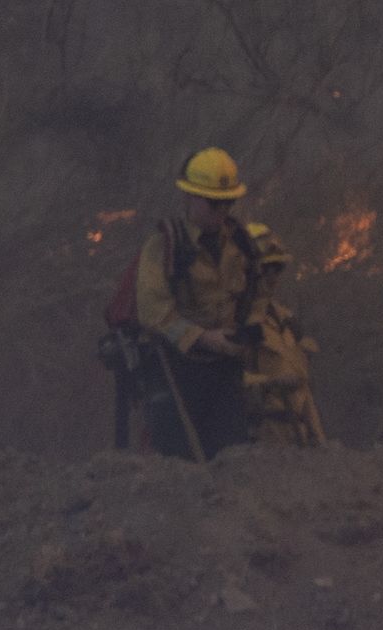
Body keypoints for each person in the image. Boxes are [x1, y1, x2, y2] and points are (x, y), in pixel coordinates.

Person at [125, 148, 321, 458]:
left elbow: (258, 291)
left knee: (231, 455)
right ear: (190, 198)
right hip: (177, 369)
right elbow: (154, 311)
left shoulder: (241, 243)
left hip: (226, 367)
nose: (222, 211)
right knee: (178, 460)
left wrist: (249, 327)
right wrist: (203, 338)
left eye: (228, 202)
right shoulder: (165, 246)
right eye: (214, 203)